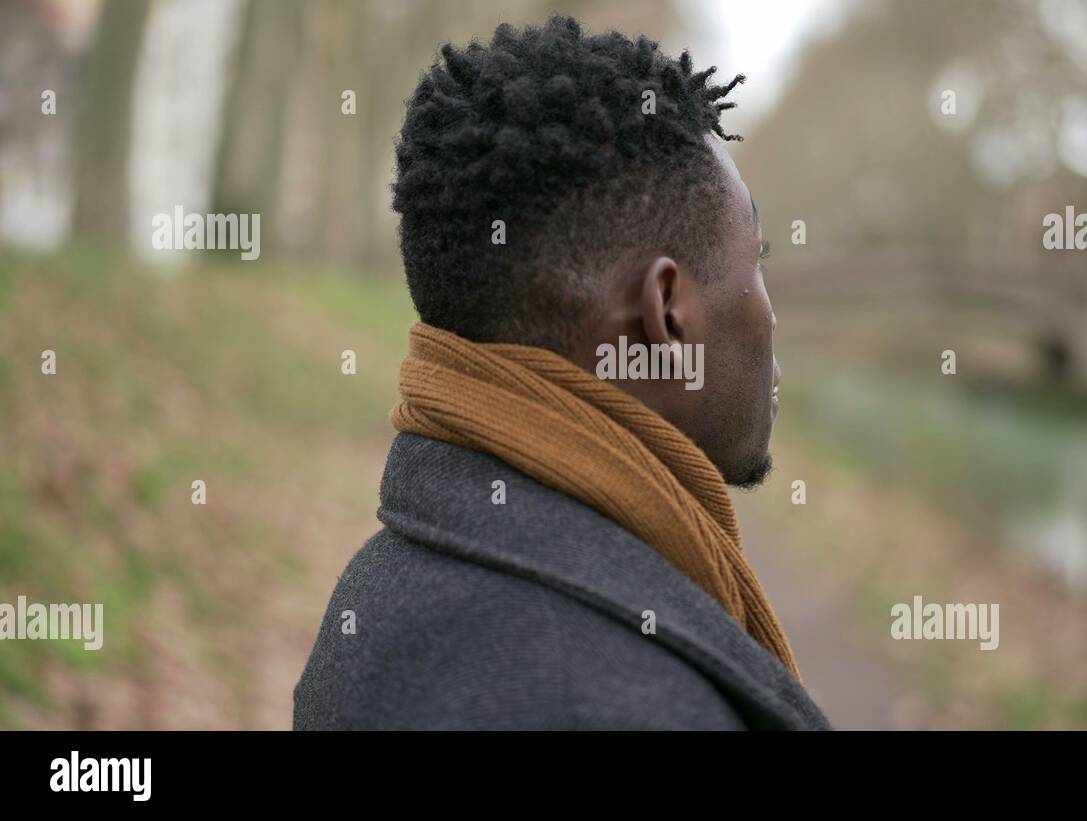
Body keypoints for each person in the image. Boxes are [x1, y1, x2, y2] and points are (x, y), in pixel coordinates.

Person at [294, 14, 830, 730]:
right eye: (755, 262)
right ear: (666, 312)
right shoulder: (624, 704)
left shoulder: (381, 579)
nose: (770, 312)